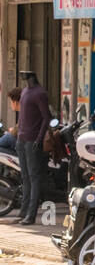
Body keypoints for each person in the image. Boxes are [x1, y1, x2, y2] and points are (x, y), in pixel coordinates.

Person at [16, 71, 52, 224]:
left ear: (32, 76)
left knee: (33, 177)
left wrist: (39, 138)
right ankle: (24, 211)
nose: (22, 75)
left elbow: (47, 117)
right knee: (25, 177)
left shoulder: (39, 93)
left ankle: (31, 215)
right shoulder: (25, 91)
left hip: (32, 140)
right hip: (22, 139)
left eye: (25, 74)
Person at [0, 89, 20, 154]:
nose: (11, 104)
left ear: (15, 102)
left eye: (11, 102)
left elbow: (15, 132)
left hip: (20, 142)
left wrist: (12, 130)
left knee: (8, 136)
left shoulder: (25, 112)